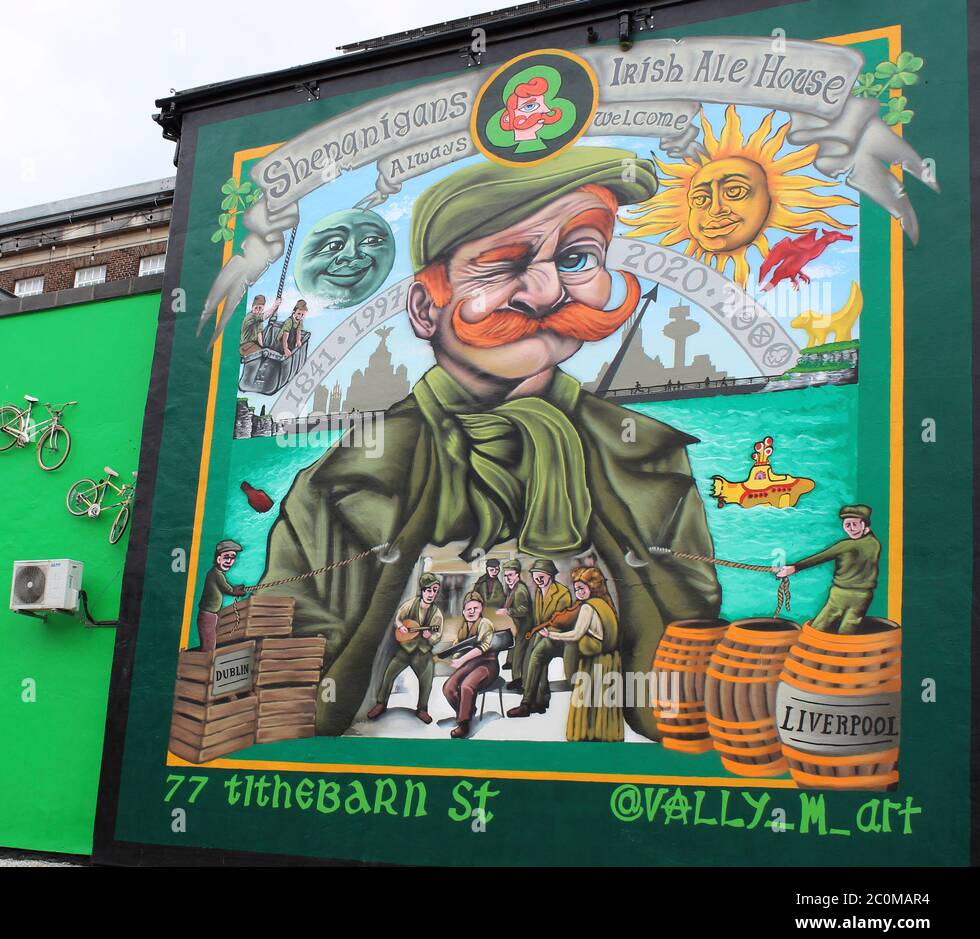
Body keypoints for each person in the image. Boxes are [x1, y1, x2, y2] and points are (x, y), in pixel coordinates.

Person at [257, 147, 721, 738]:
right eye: (502, 265)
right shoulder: (339, 483)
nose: (548, 290)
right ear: (426, 307)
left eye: (579, 257)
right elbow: (285, 664)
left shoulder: (647, 457)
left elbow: (695, 633)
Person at [514, 566, 624, 741]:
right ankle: (534, 700)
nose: (578, 592)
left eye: (582, 588)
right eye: (577, 588)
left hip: (584, 649)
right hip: (604, 656)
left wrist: (550, 633)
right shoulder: (603, 603)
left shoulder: (585, 605)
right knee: (537, 650)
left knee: (543, 650)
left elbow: (575, 634)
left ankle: (581, 729)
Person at [776, 504, 880, 634]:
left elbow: (821, 557)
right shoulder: (874, 543)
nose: (852, 529)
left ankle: (810, 649)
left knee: (819, 626)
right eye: (847, 525)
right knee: (849, 628)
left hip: (841, 594)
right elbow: (867, 538)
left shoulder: (845, 546)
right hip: (863, 595)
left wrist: (794, 568)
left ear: (864, 525)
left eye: (855, 524)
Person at [367, 573, 444, 724]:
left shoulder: (436, 614)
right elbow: (398, 618)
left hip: (422, 652)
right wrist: (401, 626)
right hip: (405, 649)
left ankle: (422, 709)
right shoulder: (410, 605)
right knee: (389, 673)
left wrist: (430, 637)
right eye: (429, 590)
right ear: (422, 591)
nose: (431, 594)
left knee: (427, 679)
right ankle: (381, 704)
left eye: (434, 591)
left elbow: (438, 634)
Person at [515, 559, 573, 709]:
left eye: (542, 575)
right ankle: (541, 699)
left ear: (551, 575)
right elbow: (539, 619)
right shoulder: (539, 592)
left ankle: (526, 703)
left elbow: (563, 621)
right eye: (535, 575)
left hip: (559, 637)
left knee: (536, 655)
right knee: (532, 655)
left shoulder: (562, 593)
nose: (538, 579)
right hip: (543, 633)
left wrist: (547, 632)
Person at [441, 592, 499, 739]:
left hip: (487, 664)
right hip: (470, 664)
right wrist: (455, 659)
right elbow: (458, 647)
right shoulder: (463, 628)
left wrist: (461, 661)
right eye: (468, 609)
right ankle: (467, 711)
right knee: (448, 687)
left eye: (476, 608)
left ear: (481, 609)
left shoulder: (485, 623)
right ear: (463, 611)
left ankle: (464, 725)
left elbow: (482, 647)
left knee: (467, 685)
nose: (472, 612)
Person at [198, 539, 248, 652]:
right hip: (208, 615)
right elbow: (228, 589)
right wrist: (237, 591)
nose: (229, 561)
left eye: (233, 557)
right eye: (226, 557)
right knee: (209, 643)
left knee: (212, 640)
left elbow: (227, 587)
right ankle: (206, 663)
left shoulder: (217, 574)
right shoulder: (216, 574)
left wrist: (235, 589)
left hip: (212, 614)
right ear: (218, 558)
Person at [500, 559, 534, 691]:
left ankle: (518, 680)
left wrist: (507, 611)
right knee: (515, 652)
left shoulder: (520, 590)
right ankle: (516, 677)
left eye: (510, 575)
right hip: (518, 627)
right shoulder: (512, 588)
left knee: (519, 655)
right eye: (506, 575)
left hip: (524, 627)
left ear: (517, 575)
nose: (507, 578)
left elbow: (523, 610)